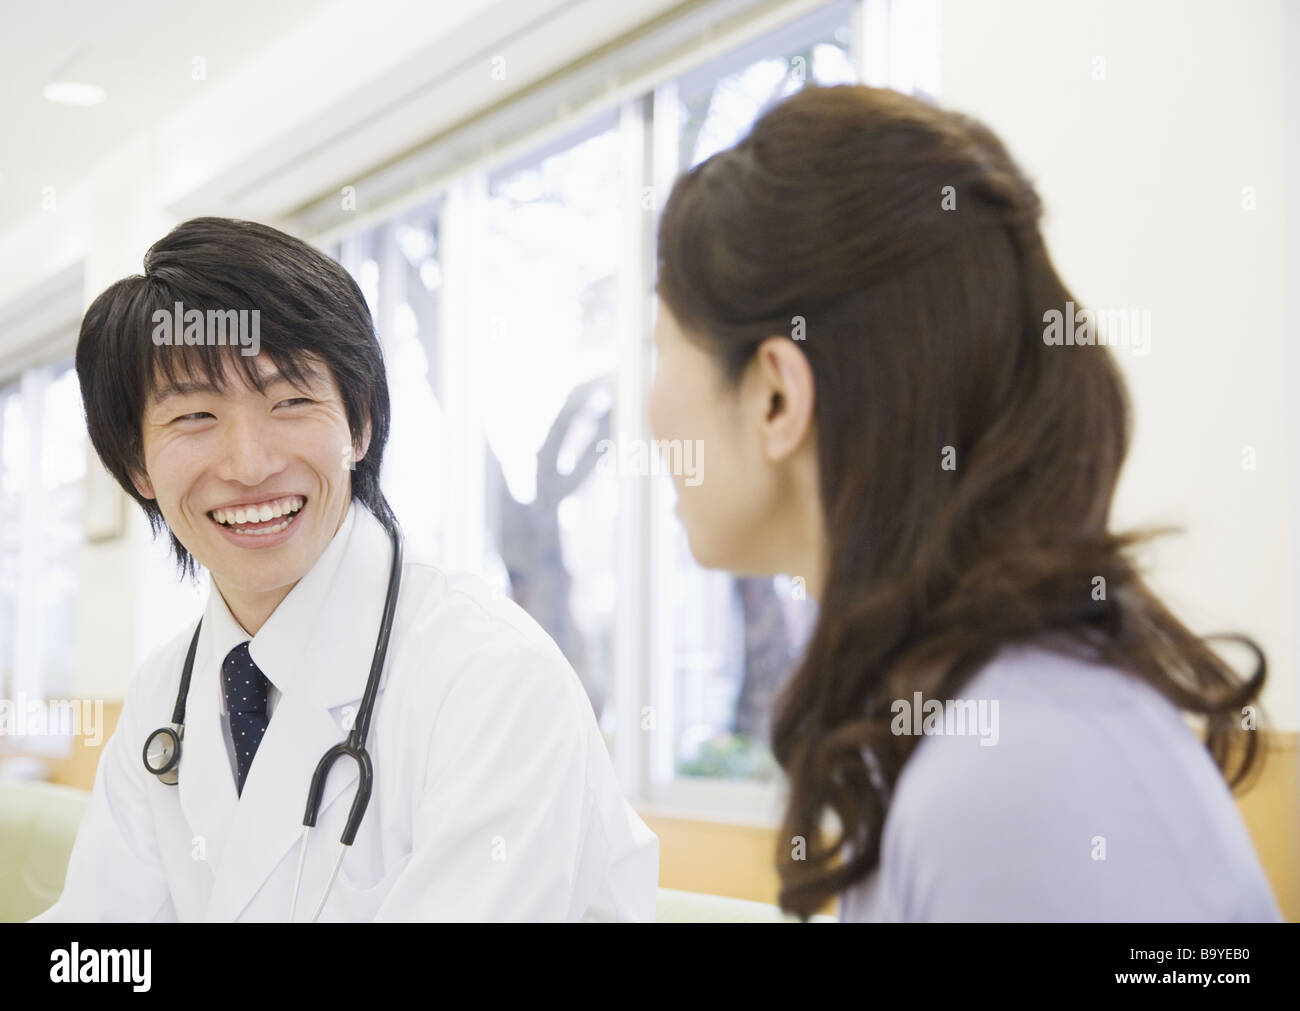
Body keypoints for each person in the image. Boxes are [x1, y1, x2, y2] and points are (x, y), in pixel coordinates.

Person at [648, 83, 1280, 922]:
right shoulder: (972, 731)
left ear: (775, 397)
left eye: (659, 349)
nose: (649, 412)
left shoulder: (1014, 773)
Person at [33, 217, 658, 922]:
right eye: (196, 415)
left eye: (290, 401)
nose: (249, 464)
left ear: (358, 424)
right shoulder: (164, 697)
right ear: (137, 464)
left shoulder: (490, 677)